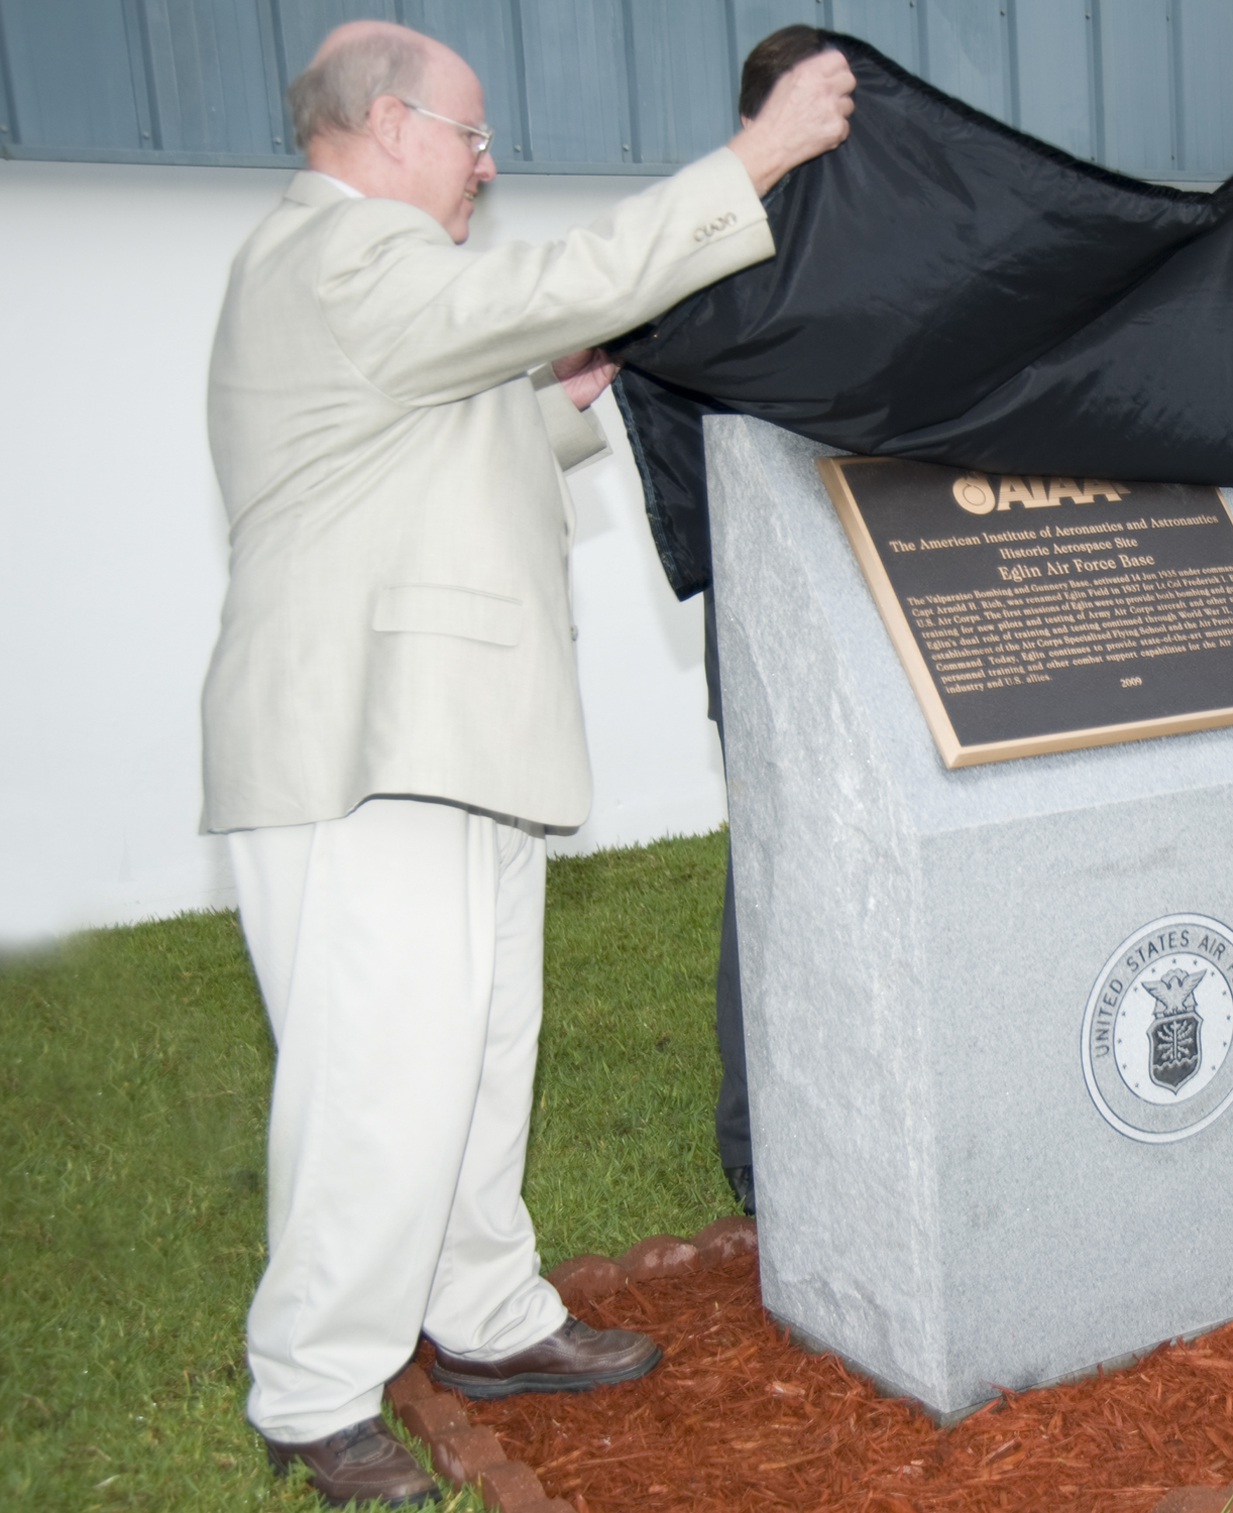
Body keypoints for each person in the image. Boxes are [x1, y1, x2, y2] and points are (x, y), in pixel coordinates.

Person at [201, 20, 853, 1506]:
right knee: (381, 1074)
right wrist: (755, 159)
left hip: (445, 739)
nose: (489, 165)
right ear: (384, 126)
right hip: (365, 745)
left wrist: (571, 382)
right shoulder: (340, 254)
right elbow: (528, 293)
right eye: (473, 137)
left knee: (478, 1053)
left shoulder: (369, 285)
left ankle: (485, 1315)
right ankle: (312, 1382)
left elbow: (451, 421)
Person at [706, 23, 839, 1221]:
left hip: (879, 626)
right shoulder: (709, 241)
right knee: (773, 880)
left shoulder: (873, 242)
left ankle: (856, 1103)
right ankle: (758, 1145)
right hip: (769, 633)